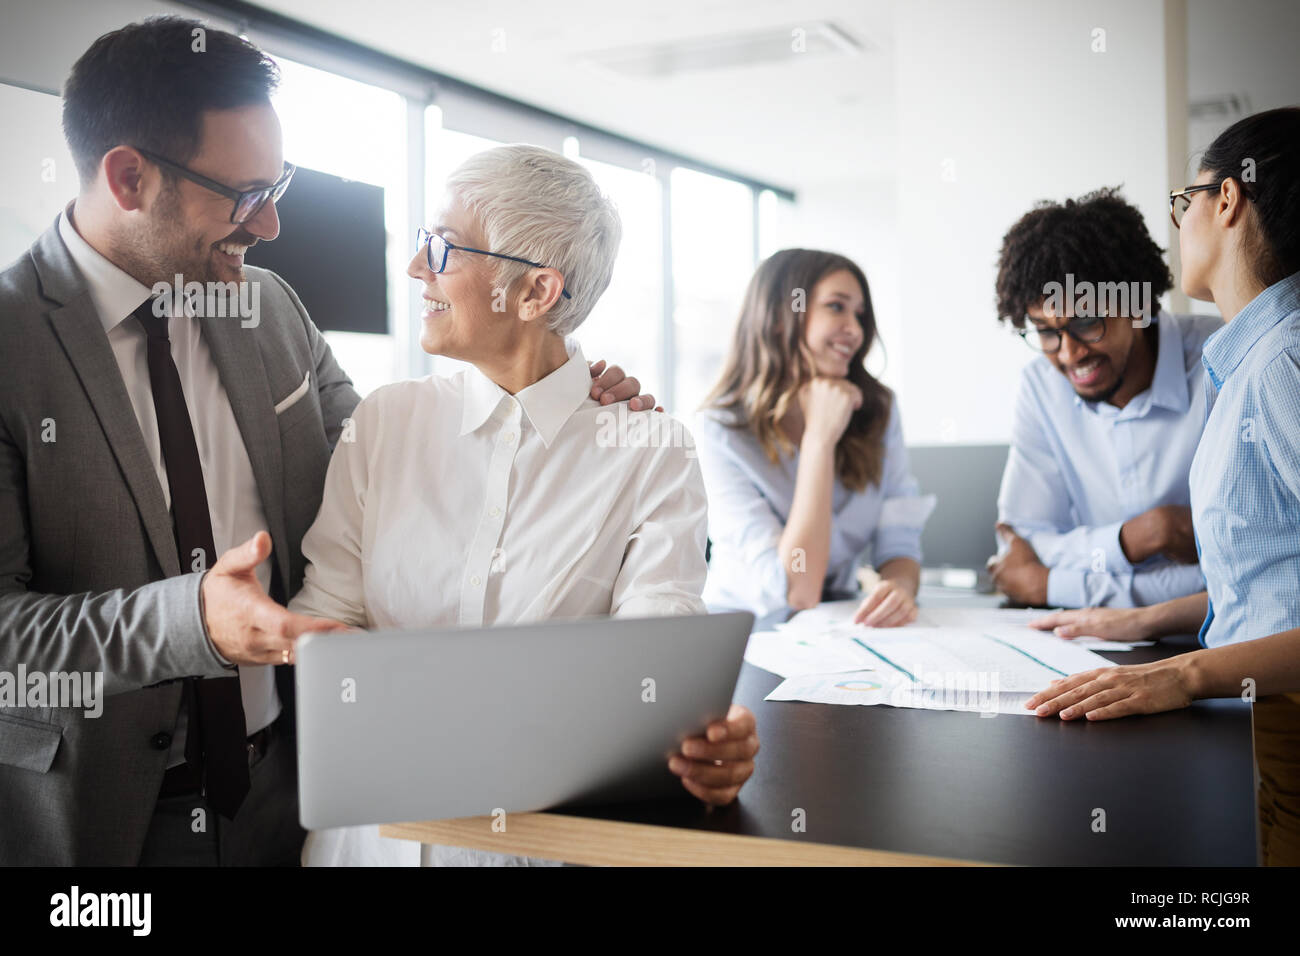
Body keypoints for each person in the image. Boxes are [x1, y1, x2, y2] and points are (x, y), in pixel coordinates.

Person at [0, 17, 654, 866]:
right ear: (128, 176)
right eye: (243, 195)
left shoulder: (268, 307)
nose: (269, 226)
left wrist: (557, 398)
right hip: (105, 823)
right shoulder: (13, 344)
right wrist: (193, 620)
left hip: (293, 791)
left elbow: (401, 459)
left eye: (280, 185)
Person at [287, 144, 760, 866]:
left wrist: (702, 746)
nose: (418, 268)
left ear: (536, 293)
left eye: (442, 248)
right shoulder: (385, 423)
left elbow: (653, 676)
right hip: (374, 845)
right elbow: (320, 634)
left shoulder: (651, 451)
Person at [1025, 108, 1300, 864]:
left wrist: (1185, 674)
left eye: (1185, 202)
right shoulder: (1253, 360)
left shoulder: (1283, 365)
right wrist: (1136, 622)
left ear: (1228, 202)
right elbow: (1277, 576)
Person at [987, 187, 1217, 609]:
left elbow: (1241, 575)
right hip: (1089, 645)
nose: (1069, 353)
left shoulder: (1222, 361)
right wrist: (1141, 536)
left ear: (1139, 303)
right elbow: (1026, 545)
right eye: (1045, 331)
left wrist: (1052, 586)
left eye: (1088, 322)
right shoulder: (1041, 385)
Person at [695, 249, 928, 624]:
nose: (855, 329)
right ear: (777, 319)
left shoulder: (877, 410)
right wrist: (819, 441)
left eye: (860, 314)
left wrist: (899, 587)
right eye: (836, 307)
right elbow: (797, 589)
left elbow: (898, 537)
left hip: (838, 623)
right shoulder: (721, 430)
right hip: (749, 631)